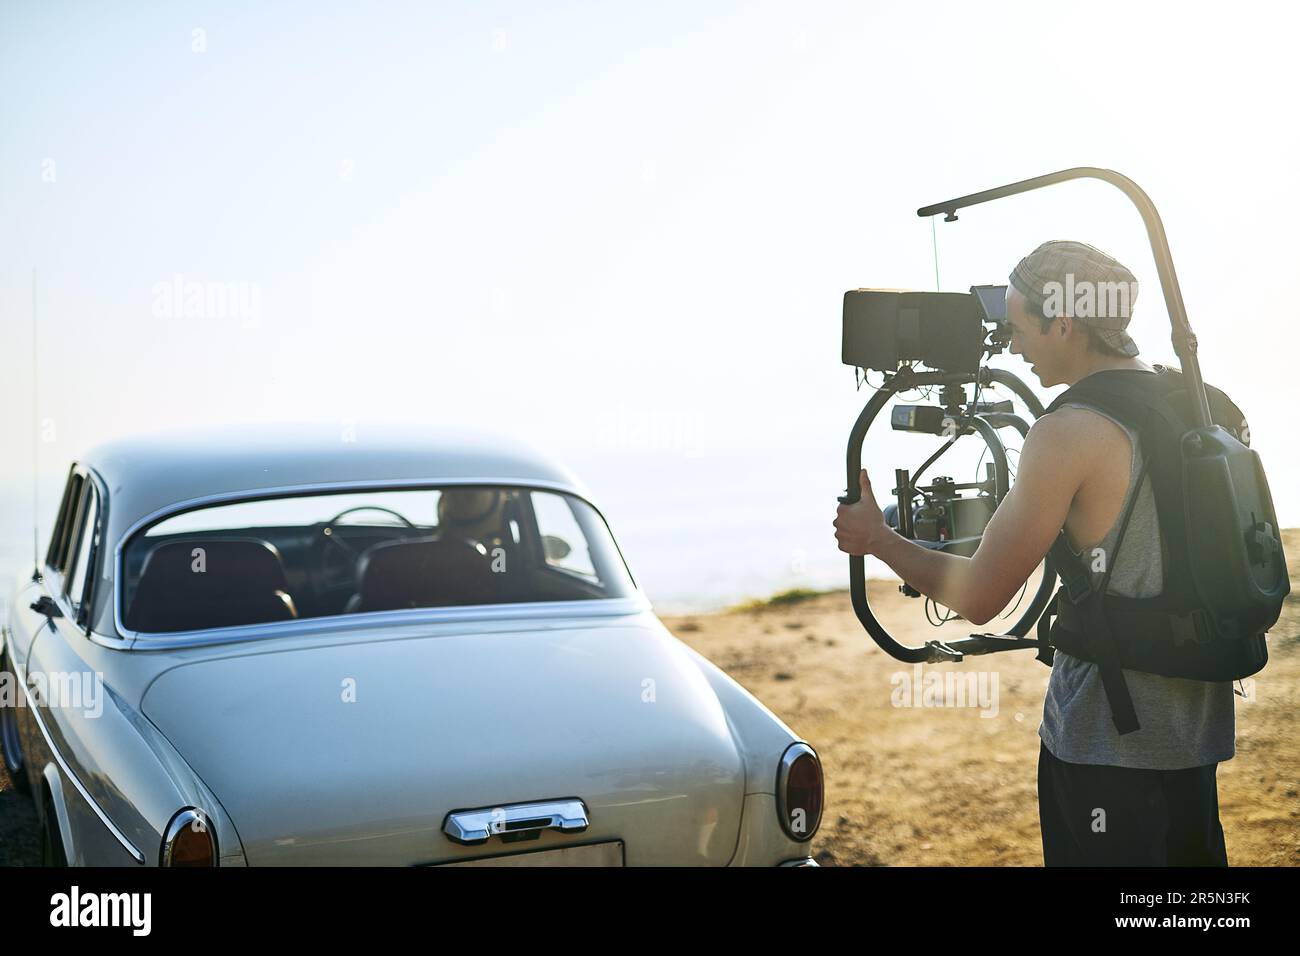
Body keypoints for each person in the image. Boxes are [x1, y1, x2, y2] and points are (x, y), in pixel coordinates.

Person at [833, 240, 1231, 866]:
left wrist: (877, 540)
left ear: (1065, 323)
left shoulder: (1068, 431)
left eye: (1020, 328)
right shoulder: (1198, 403)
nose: (1013, 346)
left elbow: (982, 597)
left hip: (1106, 746)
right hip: (1194, 730)